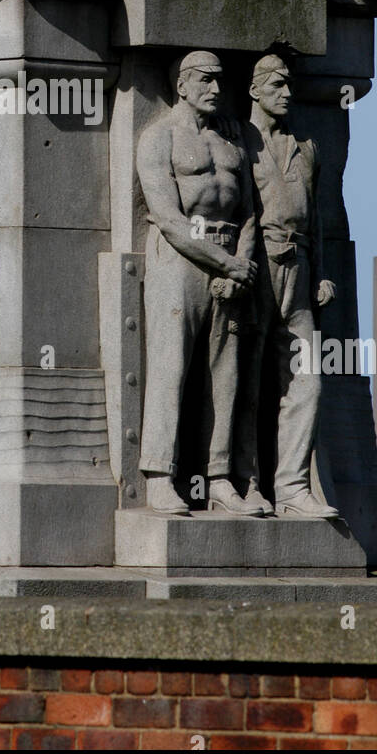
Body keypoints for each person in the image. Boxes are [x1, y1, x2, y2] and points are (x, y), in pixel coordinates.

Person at [136, 51, 261, 516]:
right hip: (180, 260)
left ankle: (220, 478)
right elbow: (168, 218)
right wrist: (226, 264)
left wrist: (241, 263)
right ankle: (159, 476)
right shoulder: (158, 137)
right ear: (182, 84)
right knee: (170, 368)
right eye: (206, 80)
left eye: (220, 80)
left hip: (230, 257)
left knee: (225, 376)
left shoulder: (231, 142)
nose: (216, 88)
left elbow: (249, 211)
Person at [237, 54, 339, 518]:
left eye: (290, 85)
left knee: (308, 381)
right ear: (255, 90)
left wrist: (319, 272)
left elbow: (314, 219)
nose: (287, 93)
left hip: (297, 271)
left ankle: (294, 488)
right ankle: (246, 482)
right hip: (257, 265)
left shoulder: (307, 147)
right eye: (277, 85)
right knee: (246, 378)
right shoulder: (238, 140)